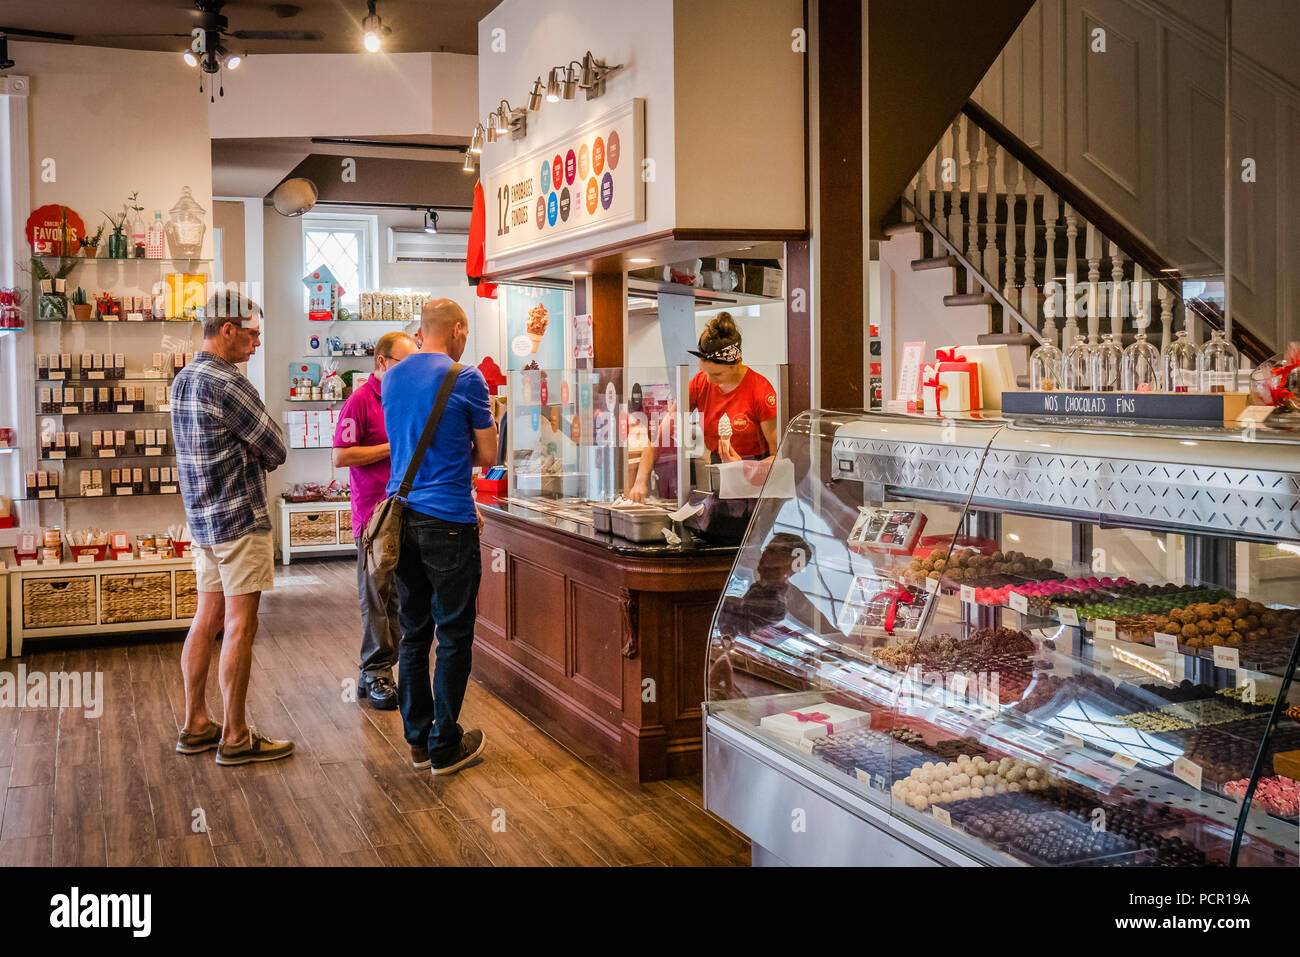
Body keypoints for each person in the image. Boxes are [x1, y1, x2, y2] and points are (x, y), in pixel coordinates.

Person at [171, 291, 293, 766]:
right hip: (240, 520)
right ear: (227, 329)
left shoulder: (183, 379)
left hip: (201, 521)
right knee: (240, 626)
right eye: (253, 333)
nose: (257, 342)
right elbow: (277, 449)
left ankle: (196, 723)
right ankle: (237, 736)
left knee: (206, 620)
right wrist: (253, 453)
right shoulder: (229, 383)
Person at [383, 298, 497, 775]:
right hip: (449, 518)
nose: (465, 342)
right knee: (453, 631)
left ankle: (417, 741)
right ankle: (445, 744)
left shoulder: (391, 378)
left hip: (400, 517)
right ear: (454, 331)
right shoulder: (467, 378)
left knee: (414, 631)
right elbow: (487, 453)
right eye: (464, 333)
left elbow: (403, 442)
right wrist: (460, 448)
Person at [333, 331, 418, 710]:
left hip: (410, 508)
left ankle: (384, 669)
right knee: (377, 595)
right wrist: (393, 447)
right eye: (405, 363)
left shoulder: (407, 398)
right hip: (373, 514)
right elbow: (341, 456)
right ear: (382, 363)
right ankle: (374, 672)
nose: (412, 371)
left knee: (399, 597)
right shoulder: (359, 402)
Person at [628, 312, 779, 502]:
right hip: (718, 474)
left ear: (737, 363)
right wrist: (640, 481)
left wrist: (744, 469)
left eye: (717, 374)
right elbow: (661, 438)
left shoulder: (760, 390)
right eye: (703, 372)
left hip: (757, 482)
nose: (709, 380)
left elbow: (778, 458)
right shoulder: (699, 384)